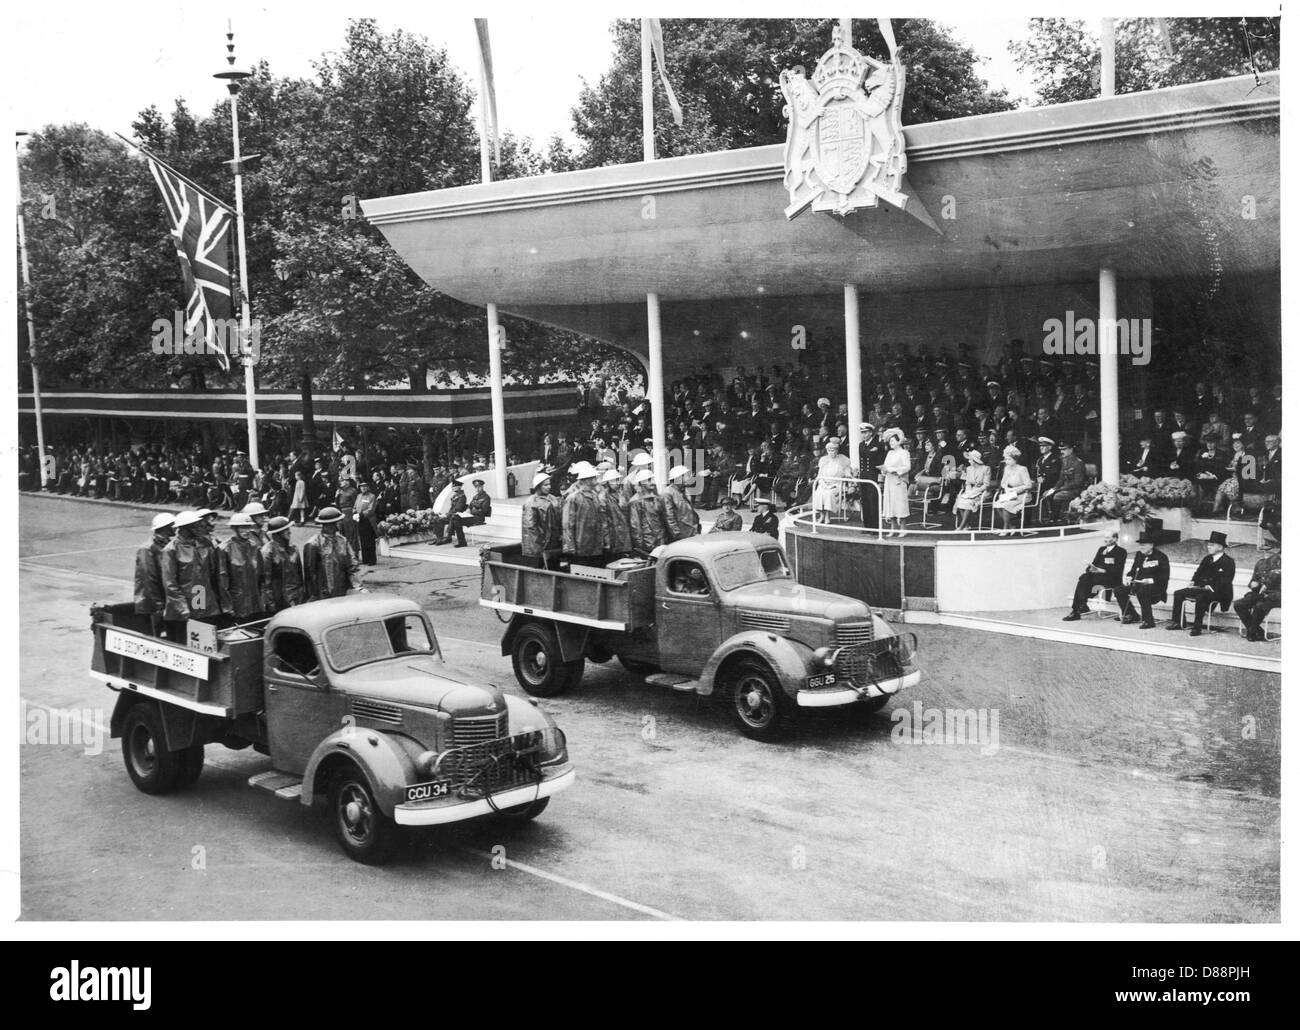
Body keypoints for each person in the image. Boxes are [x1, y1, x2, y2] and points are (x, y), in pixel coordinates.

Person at [160, 509, 226, 642]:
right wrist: (183, 609)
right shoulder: (171, 550)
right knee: (184, 644)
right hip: (184, 609)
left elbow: (214, 575)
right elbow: (170, 584)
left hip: (205, 603)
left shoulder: (205, 544)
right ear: (183, 529)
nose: (198, 527)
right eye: (194, 526)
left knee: (205, 642)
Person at [1167, 531, 1236, 637]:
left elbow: (1226, 581)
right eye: (1208, 545)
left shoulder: (1228, 562)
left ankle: (1197, 627)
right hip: (1201, 588)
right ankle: (1178, 622)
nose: (1208, 547)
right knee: (1178, 593)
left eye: (1211, 545)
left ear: (1220, 547)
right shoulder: (1207, 559)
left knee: (1201, 597)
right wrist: (1193, 581)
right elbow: (1198, 572)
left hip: (1219, 592)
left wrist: (1210, 587)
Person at [1062, 529, 1127, 621]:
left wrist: (1100, 570)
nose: (1105, 539)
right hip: (1097, 578)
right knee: (1084, 577)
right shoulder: (1101, 549)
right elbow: (1094, 563)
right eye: (1104, 537)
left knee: (1084, 580)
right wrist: (1090, 568)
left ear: (1115, 539)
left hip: (1111, 580)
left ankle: (1079, 608)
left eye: (1107, 537)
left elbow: (1117, 570)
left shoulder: (1121, 551)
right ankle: (1078, 609)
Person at [303, 506, 363, 600]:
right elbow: (310, 575)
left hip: (342, 591)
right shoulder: (313, 544)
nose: (341, 523)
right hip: (322, 595)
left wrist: (358, 587)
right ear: (331, 524)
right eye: (338, 521)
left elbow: (352, 566)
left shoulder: (342, 540)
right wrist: (313, 596)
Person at [1111, 532, 1170, 628]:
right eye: (1139, 545)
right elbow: (1133, 571)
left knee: (1142, 591)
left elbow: (1164, 577)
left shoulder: (1161, 557)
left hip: (1156, 587)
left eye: (1143, 545)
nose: (1140, 547)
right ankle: (1132, 615)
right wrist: (1129, 576)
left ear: (1151, 545)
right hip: (1139, 584)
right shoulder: (1139, 555)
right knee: (1119, 590)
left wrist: (1150, 580)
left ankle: (1148, 621)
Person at [134, 513, 175, 636]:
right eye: (173, 525)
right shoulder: (147, 549)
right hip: (150, 605)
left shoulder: (166, 546)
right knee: (153, 638)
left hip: (162, 602)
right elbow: (149, 578)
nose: (176, 527)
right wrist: (159, 605)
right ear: (165, 527)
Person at [219, 512, 264, 623]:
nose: (247, 531)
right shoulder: (224, 549)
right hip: (237, 601)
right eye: (243, 528)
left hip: (254, 600)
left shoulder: (254, 546)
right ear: (235, 528)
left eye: (248, 527)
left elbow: (261, 576)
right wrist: (228, 606)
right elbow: (222, 580)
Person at [562, 461, 605, 564]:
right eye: (594, 478)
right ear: (587, 480)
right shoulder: (573, 498)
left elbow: (600, 521)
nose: (597, 481)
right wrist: (570, 546)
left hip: (595, 545)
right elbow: (568, 524)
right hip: (581, 546)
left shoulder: (594, 496)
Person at [1234, 549, 1281, 642]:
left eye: (1272, 552)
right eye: (1266, 551)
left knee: (1259, 606)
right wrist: (1253, 584)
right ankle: (1257, 631)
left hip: (1275, 597)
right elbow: (1252, 581)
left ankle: (1251, 632)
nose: (1268, 554)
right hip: (1259, 594)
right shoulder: (1261, 563)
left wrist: (1268, 587)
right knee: (1238, 604)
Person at [260, 516, 304, 612]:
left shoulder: (293, 548)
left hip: (297, 596)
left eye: (289, 529)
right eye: (286, 530)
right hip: (279, 599)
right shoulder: (267, 552)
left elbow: (299, 574)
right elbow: (266, 582)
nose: (290, 532)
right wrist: (270, 603)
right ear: (277, 533)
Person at [992, 444, 1033, 536]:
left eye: (1009, 459)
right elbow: (1003, 482)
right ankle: (1011, 526)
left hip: (1023, 495)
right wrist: (1006, 488)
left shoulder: (1022, 469)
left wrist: (1015, 490)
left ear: (1015, 460)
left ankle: (1005, 528)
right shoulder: (1007, 469)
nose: (1007, 461)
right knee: (997, 504)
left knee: (1006, 505)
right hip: (1011, 495)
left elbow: (1028, 485)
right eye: (1006, 459)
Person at [520, 470, 558, 568]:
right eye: (545, 485)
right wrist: (541, 542)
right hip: (537, 546)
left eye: (549, 484)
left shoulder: (552, 498)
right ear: (538, 487)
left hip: (551, 544)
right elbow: (530, 526)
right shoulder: (531, 502)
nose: (549, 487)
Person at [811, 436, 851, 525]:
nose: (831, 452)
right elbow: (819, 475)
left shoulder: (842, 459)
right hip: (824, 484)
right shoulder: (824, 460)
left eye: (833, 450)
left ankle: (827, 516)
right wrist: (823, 484)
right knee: (819, 493)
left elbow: (847, 472)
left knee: (828, 494)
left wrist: (849, 476)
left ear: (837, 450)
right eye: (829, 450)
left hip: (836, 484)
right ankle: (822, 515)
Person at [627, 468, 668, 555]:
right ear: (641, 482)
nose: (653, 482)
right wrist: (639, 547)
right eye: (649, 480)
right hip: (647, 544)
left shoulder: (657, 498)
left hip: (661, 540)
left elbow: (663, 520)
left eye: (652, 479)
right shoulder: (635, 501)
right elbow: (635, 526)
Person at [879, 428, 911, 537]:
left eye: (893, 441)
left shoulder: (904, 452)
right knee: (890, 504)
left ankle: (903, 528)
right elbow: (886, 465)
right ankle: (893, 528)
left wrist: (894, 470)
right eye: (890, 441)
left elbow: (907, 467)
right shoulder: (890, 453)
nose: (891, 443)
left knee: (900, 504)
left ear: (898, 441)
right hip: (889, 481)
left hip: (899, 481)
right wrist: (884, 470)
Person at [1047, 440, 1088, 522]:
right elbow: (1061, 478)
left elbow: (1078, 482)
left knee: (1057, 496)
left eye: (1064, 449)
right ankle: (1053, 516)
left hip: (1076, 489)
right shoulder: (1064, 461)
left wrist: (1061, 488)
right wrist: (1055, 488)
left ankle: (1054, 518)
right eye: (1061, 450)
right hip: (1065, 488)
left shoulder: (1078, 463)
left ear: (1071, 450)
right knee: (1048, 493)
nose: (1062, 452)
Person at [856, 422, 886, 529]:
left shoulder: (878, 444)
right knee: (865, 501)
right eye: (862, 433)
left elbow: (881, 461)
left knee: (873, 501)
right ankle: (867, 526)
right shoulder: (861, 445)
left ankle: (875, 527)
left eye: (866, 432)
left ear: (871, 433)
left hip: (873, 476)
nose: (864, 435)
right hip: (864, 476)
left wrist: (880, 479)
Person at [598, 468, 633, 558]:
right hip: (613, 536)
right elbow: (603, 522)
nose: (617, 483)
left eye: (618, 480)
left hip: (624, 534)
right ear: (607, 483)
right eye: (613, 480)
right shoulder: (603, 497)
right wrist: (607, 541)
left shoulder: (622, 495)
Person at [951, 449, 989, 531]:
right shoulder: (969, 469)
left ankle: (961, 526)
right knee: (960, 501)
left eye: (970, 460)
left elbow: (986, 484)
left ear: (975, 461)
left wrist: (976, 491)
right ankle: (967, 525)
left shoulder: (986, 469)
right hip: (971, 490)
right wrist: (969, 491)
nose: (969, 461)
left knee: (969, 503)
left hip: (982, 492)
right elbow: (967, 482)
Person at [449, 478, 492, 548]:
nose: (477, 489)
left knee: (456, 519)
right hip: (472, 517)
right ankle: (461, 541)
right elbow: (470, 506)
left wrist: (472, 511)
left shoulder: (486, 497)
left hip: (479, 518)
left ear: (482, 487)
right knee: (455, 517)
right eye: (476, 487)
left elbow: (483, 511)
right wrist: (467, 511)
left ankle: (451, 534)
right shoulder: (475, 497)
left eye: (479, 487)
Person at [662, 464, 700, 541]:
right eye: (686, 476)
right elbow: (669, 517)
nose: (689, 478)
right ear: (678, 478)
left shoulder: (682, 491)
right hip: (681, 536)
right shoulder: (668, 493)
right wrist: (676, 535)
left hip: (690, 532)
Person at [355, 481, 379, 566]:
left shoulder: (372, 496)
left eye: (365, 486)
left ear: (368, 487)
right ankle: (365, 559)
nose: (363, 488)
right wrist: (354, 512)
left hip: (368, 520)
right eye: (361, 487)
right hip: (360, 520)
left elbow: (371, 509)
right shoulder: (358, 496)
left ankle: (372, 560)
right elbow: (355, 507)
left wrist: (361, 514)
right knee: (362, 540)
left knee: (369, 540)